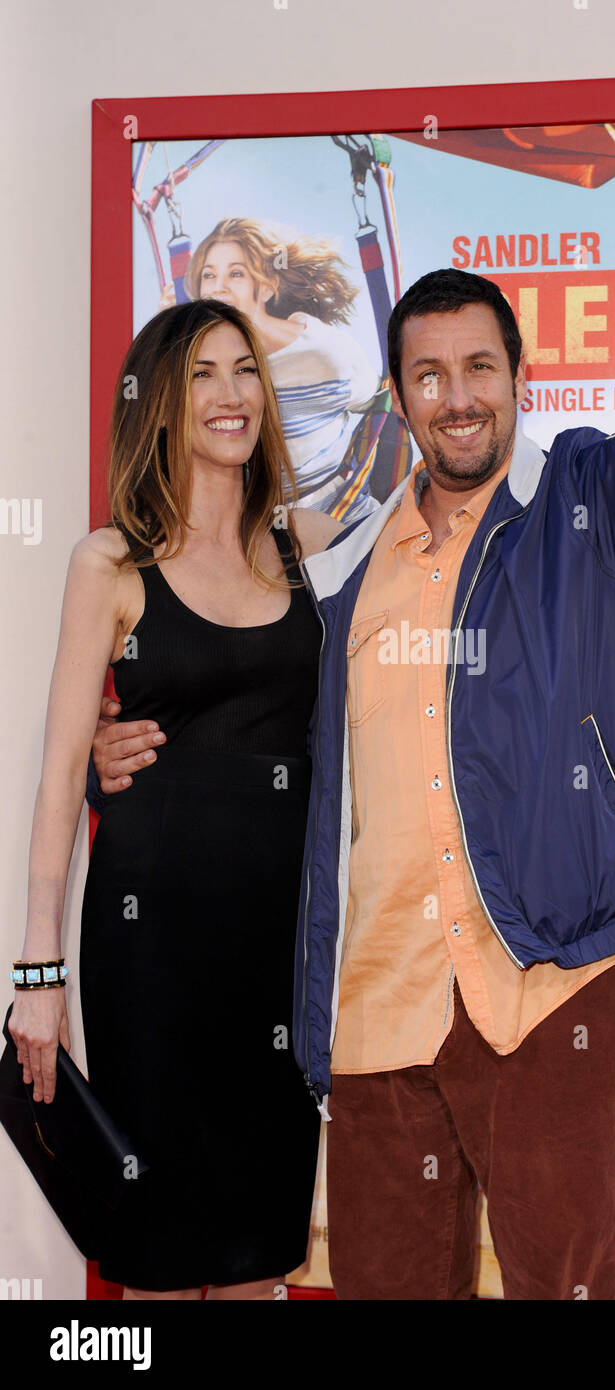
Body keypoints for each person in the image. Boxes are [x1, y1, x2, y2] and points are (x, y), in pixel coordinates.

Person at [92, 82, 615, 1299]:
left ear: (519, 376)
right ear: (398, 397)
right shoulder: (339, 570)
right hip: (377, 1010)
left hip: (551, 983)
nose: (456, 396)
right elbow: (254, 716)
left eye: (478, 369)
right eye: (427, 374)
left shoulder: (592, 510)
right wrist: (136, 751)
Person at [9, 298, 341, 1299]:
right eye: (202, 373)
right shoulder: (109, 561)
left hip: (275, 956)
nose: (232, 394)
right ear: (158, 400)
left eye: (245, 370)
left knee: (259, 1255)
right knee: (155, 1251)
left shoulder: (310, 542)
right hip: (150, 953)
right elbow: (65, 769)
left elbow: (451, 551)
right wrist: (38, 969)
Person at [160, 217, 381, 521]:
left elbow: (374, 398)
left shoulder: (322, 352)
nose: (218, 287)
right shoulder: (191, 359)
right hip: (253, 525)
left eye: (235, 273)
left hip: (338, 517)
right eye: (209, 276)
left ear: (266, 287)